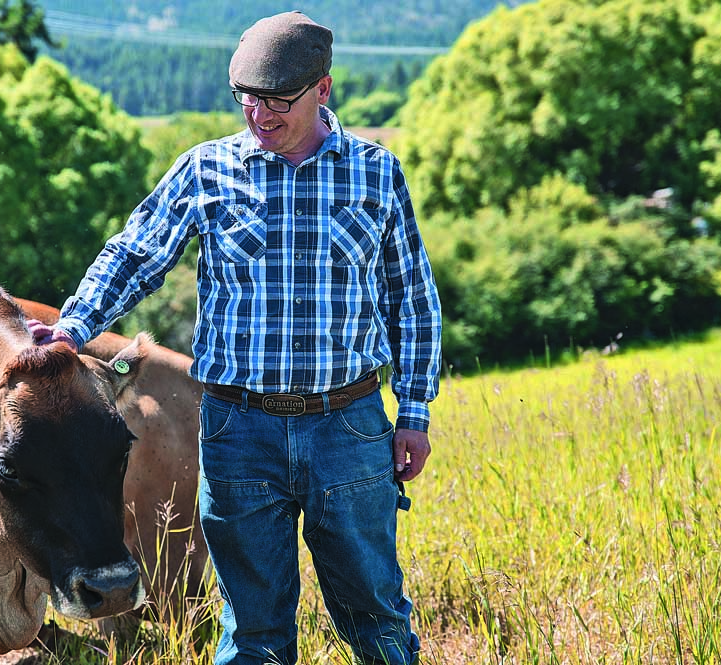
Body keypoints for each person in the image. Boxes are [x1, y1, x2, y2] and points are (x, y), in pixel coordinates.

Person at [30, 11, 440, 665]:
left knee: (378, 621)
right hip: (237, 432)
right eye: (250, 98)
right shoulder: (205, 170)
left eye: (280, 100)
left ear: (323, 90)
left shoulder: (376, 173)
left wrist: (413, 412)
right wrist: (75, 325)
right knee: (253, 633)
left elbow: (412, 300)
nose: (262, 114)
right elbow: (137, 254)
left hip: (351, 427)